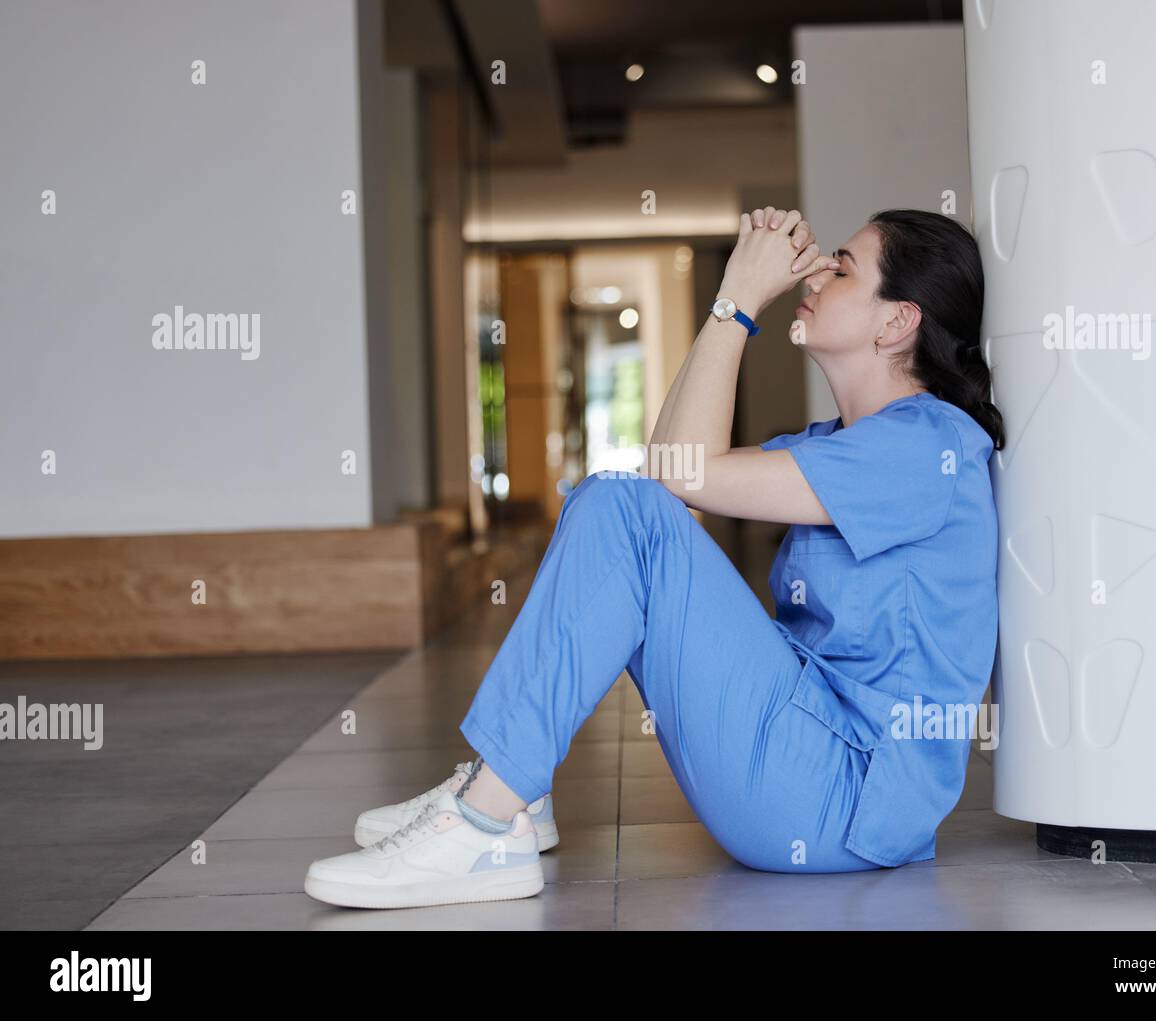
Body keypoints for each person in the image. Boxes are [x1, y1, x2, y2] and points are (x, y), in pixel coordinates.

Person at [304, 206, 1004, 910]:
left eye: (843, 267)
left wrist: (737, 300)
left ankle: (487, 819)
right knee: (616, 504)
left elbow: (676, 478)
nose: (819, 271)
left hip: (843, 795)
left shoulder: (926, 445)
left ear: (897, 322)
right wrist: (734, 298)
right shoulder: (837, 444)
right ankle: (510, 788)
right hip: (810, 763)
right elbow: (669, 467)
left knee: (625, 508)